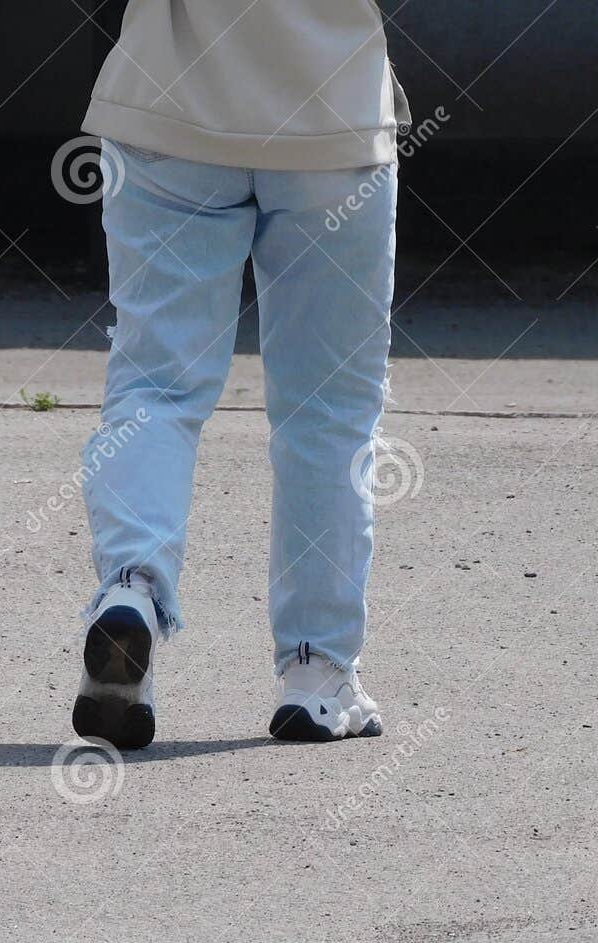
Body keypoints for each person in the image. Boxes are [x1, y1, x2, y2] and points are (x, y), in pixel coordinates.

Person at [72, 0, 409, 750]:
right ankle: (317, 675)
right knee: (327, 412)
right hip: (333, 122)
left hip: (166, 113)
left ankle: (131, 590)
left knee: (155, 388)